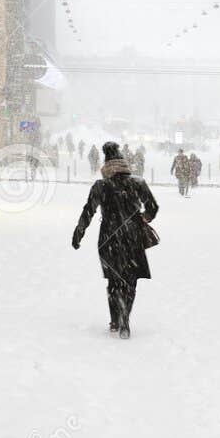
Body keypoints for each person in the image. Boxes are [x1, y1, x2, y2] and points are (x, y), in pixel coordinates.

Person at [72, 142, 158, 340]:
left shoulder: (101, 186)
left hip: (108, 239)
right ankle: (125, 317)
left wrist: (79, 232)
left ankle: (114, 321)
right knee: (130, 281)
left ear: (106, 166)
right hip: (133, 238)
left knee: (113, 281)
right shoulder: (138, 183)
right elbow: (152, 208)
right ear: (124, 163)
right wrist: (141, 219)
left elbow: (88, 212)